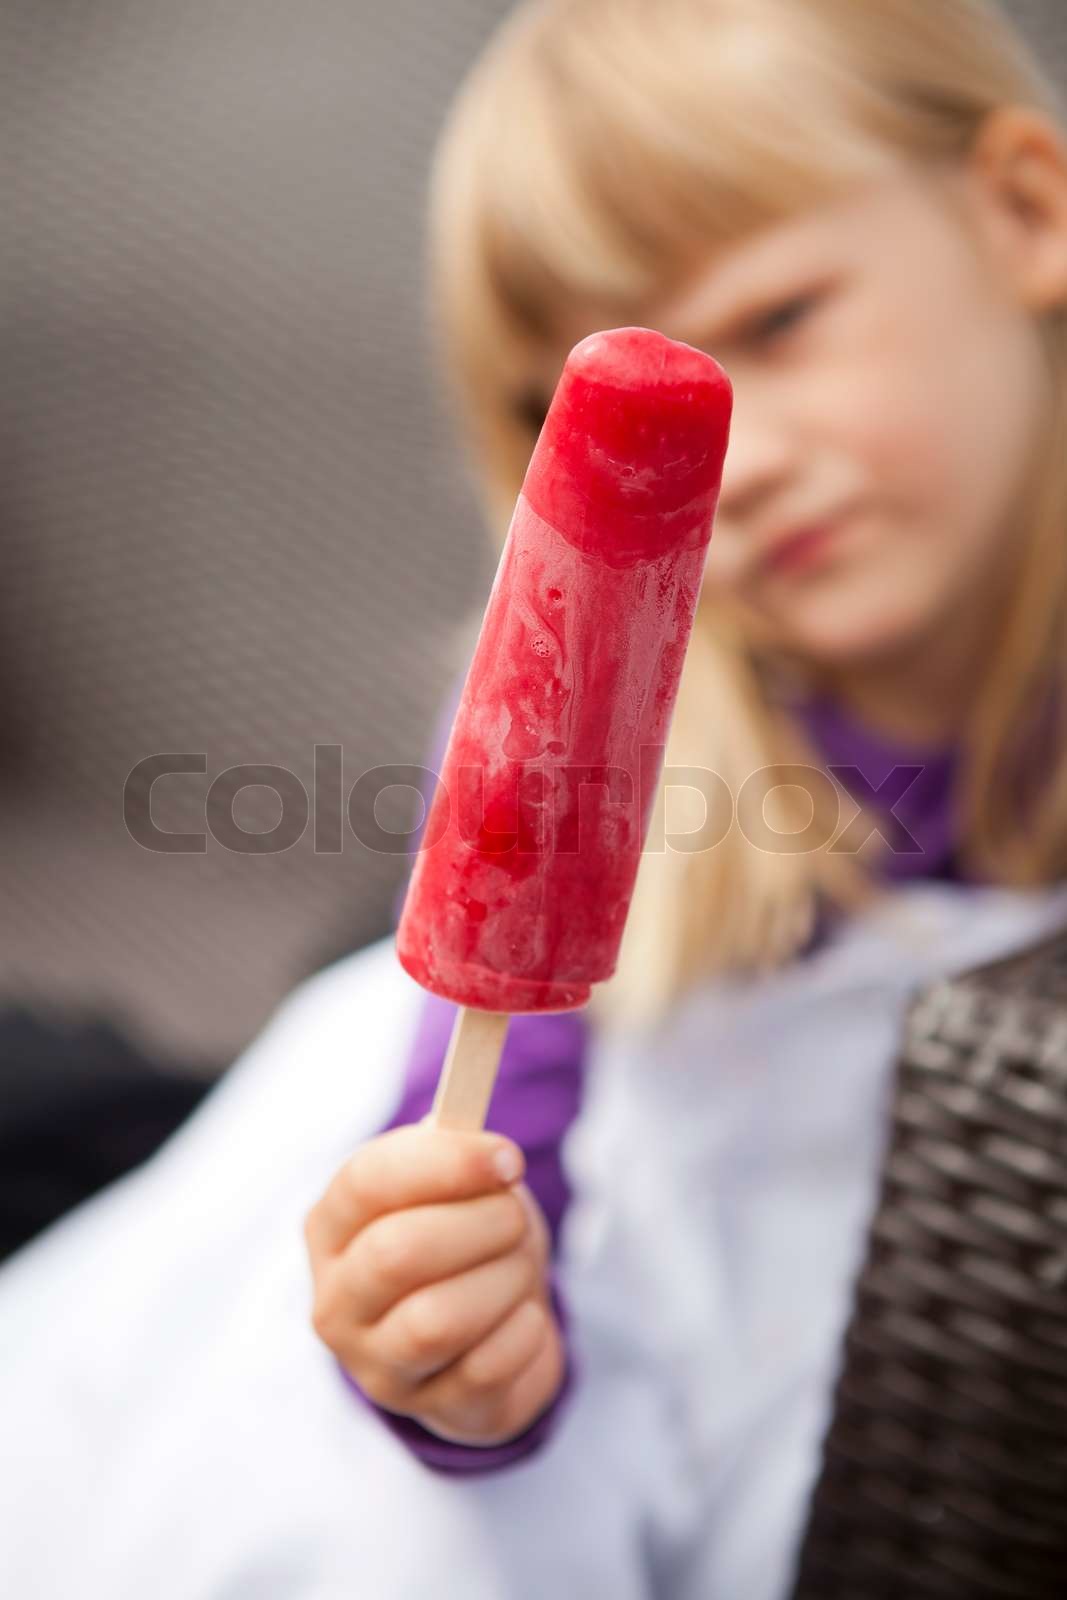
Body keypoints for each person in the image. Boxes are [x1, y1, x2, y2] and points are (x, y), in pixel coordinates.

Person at [3, 2, 1067, 1597]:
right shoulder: (630, 729)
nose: (736, 463)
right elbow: (500, 1178)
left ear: (1027, 212)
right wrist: (462, 1365)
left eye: (778, 321)